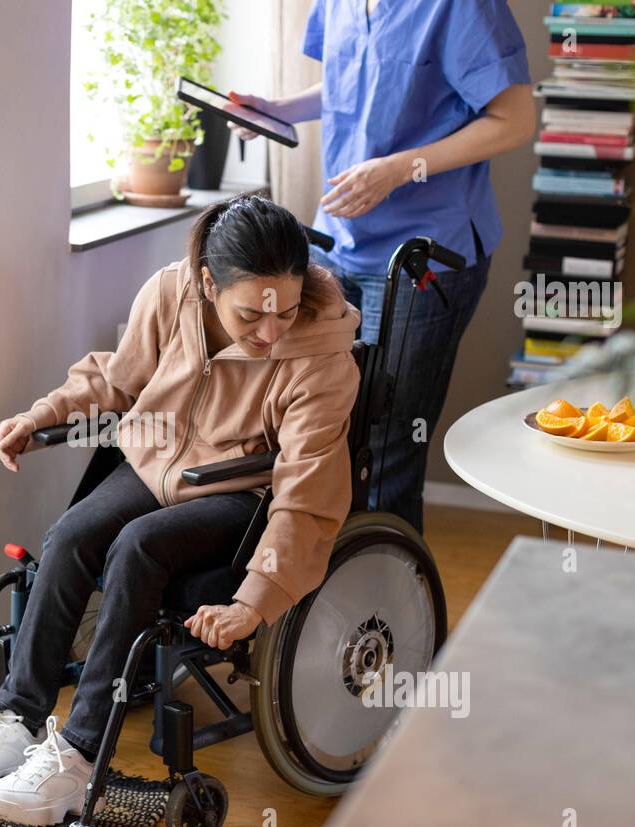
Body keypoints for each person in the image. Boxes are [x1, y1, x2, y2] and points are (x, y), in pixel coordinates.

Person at [0, 195, 361, 827]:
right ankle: (17, 721)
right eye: (250, 314)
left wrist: (256, 601)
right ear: (208, 283)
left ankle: (75, 757)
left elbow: (307, 497)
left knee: (138, 546)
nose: (270, 333)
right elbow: (119, 381)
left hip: (240, 495)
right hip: (156, 464)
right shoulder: (169, 295)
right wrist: (43, 414)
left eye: (285, 312)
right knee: (71, 534)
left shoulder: (322, 359)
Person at [228, 0, 534, 533]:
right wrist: (276, 109)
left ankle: (387, 601)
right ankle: (328, 592)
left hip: (427, 249)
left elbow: (514, 120)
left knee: (390, 438)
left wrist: (400, 168)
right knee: (324, 423)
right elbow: (352, 86)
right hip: (340, 241)